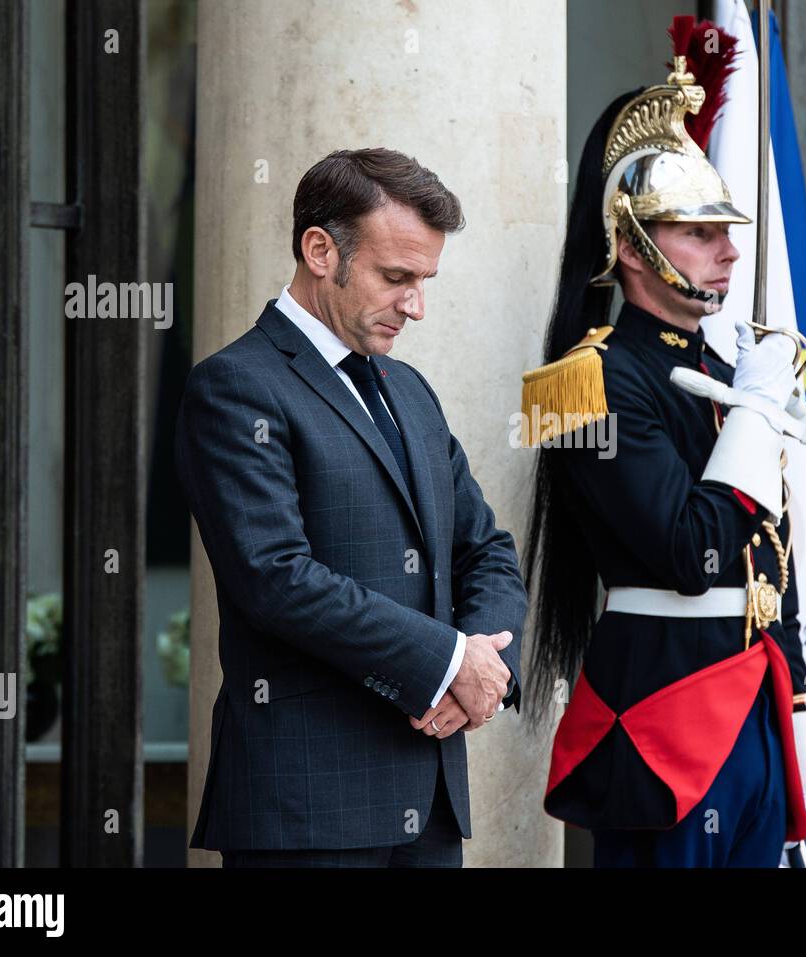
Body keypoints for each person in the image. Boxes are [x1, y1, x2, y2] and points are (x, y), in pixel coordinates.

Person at [521, 17, 806, 867]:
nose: (729, 253)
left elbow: (770, 548)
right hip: (662, 709)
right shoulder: (586, 382)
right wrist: (757, 419)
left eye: (726, 230)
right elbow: (688, 549)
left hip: (753, 700)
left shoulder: (725, 369)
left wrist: (799, 695)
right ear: (630, 246)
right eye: (700, 233)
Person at [177, 148, 526, 867]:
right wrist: (447, 659)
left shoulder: (410, 390)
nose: (415, 305)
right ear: (319, 251)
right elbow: (275, 578)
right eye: (396, 277)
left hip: (428, 804)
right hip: (306, 812)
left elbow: (485, 548)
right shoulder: (234, 386)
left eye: (424, 281)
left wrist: (481, 671)